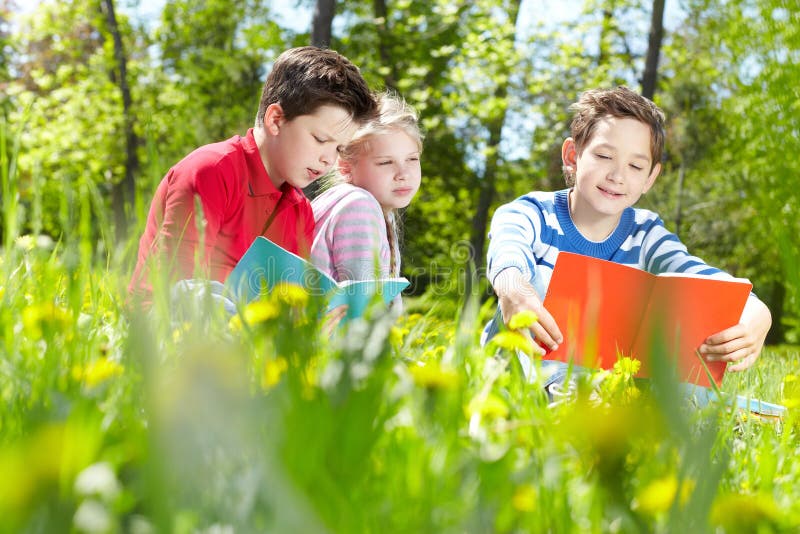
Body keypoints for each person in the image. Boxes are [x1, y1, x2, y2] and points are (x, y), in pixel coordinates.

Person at [483, 86, 771, 397]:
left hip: (605, 391)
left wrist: (756, 312)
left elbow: (694, 273)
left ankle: (676, 424)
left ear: (650, 178)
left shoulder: (647, 235)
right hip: (521, 380)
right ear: (572, 156)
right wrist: (512, 286)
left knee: (683, 318)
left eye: (635, 166)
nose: (618, 176)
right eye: (604, 156)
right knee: (534, 281)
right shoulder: (533, 213)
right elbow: (508, 247)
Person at [129, 46, 377, 306]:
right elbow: (175, 291)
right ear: (276, 120)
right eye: (320, 139)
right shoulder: (211, 171)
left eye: (338, 148)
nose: (329, 159)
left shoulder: (300, 210)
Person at [309, 92, 422, 310]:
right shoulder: (359, 207)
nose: (403, 173)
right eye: (386, 162)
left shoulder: (375, 210)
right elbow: (364, 304)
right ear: (345, 168)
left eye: (412, 159)